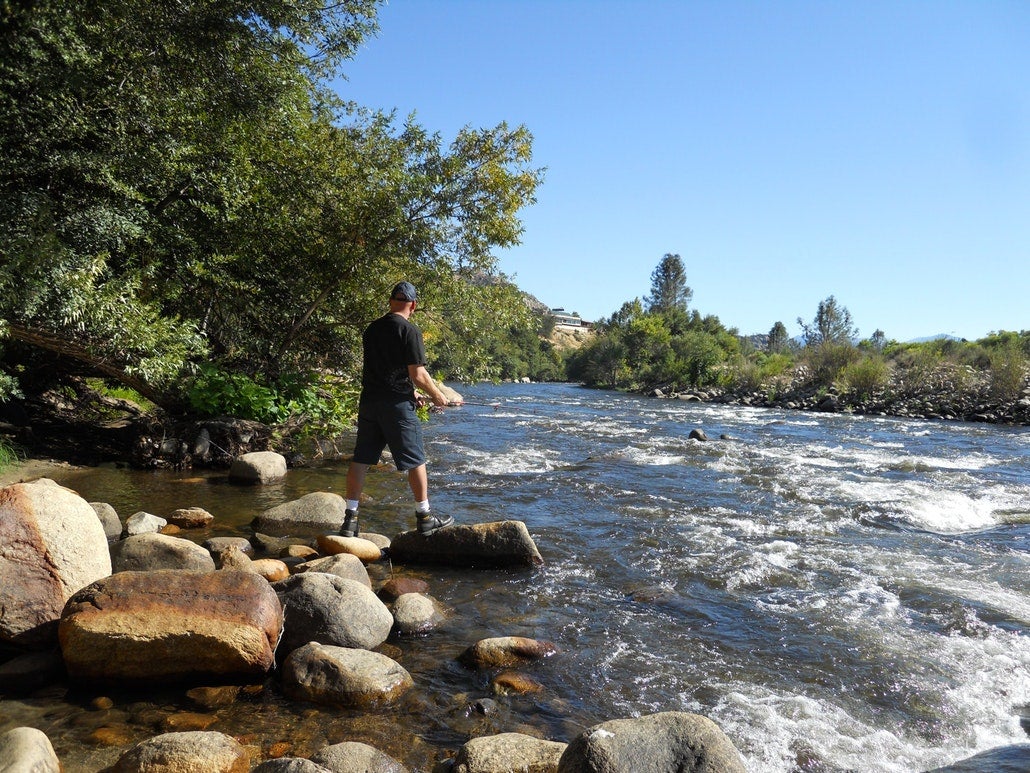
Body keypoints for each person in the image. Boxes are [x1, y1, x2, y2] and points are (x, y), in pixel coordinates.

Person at [343, 281, 463, 537]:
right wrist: (438, 395)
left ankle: (349, 521)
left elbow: (386, 370)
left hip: (369, 402)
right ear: (413, 305)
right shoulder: (409, 331)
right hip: (396, 408)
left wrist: (412, 392)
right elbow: (418, 373)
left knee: (361, 459)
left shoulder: (371, 330)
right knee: (416, 460)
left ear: (390, 301)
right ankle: (425, 518)